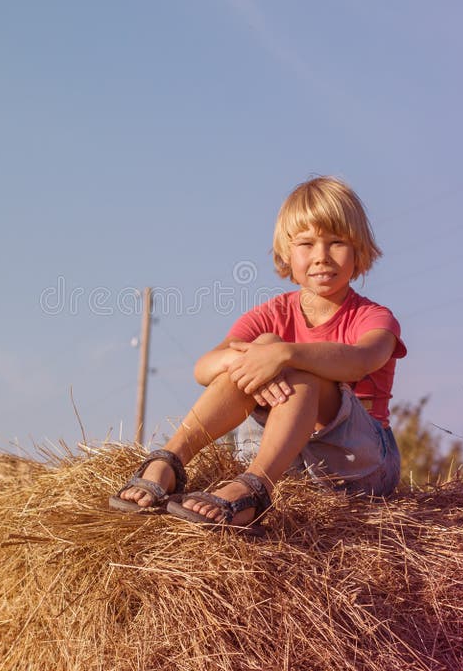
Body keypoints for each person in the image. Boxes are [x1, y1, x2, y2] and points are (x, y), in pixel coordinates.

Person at [110, 176, 407, 533]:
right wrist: (258, 361)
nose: (321, 257)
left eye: (337, 242)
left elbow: (362, 360)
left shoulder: (374, 318)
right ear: (286, 252)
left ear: (359, 248)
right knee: (262, 346)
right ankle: (171, 459)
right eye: (306, 244)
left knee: (297, 366)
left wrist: (284, 356)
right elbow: (204, 368)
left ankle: (254, 488)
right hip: (292, 462)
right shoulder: (273, 313)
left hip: (362, 468)